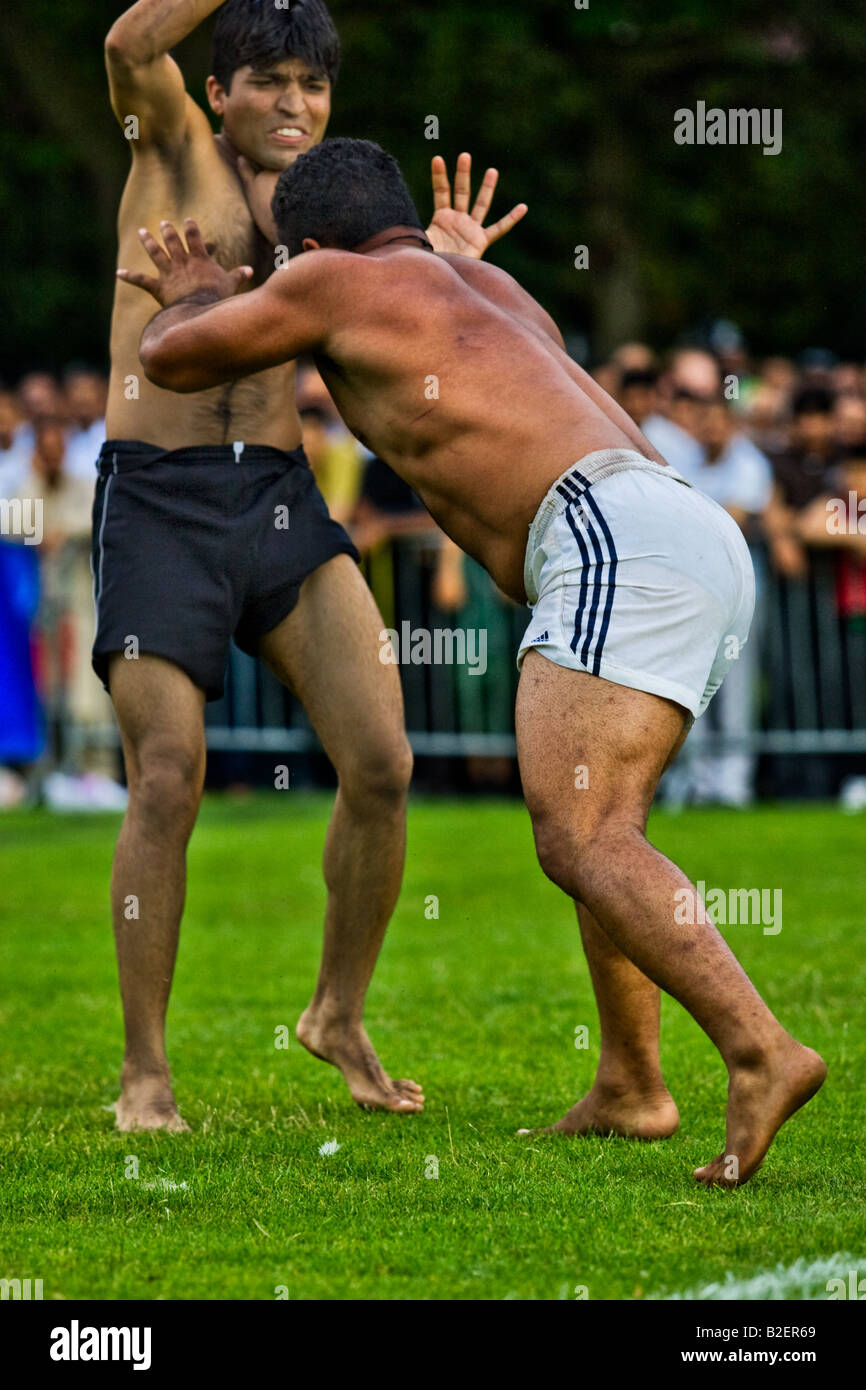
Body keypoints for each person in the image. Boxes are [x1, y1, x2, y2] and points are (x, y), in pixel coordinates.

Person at [120, 137, 827, 1187]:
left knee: (577, 836)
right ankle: (632, 1086)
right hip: (684, 527)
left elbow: (172, 361)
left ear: (312, 244)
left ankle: (760, 1050)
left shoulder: (325, 277)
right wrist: (447, 258)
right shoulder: (488, 284)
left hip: (603, 537)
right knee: (607, 829)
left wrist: (186, 295)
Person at [100, 0, 525, 1132]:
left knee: (382, 759)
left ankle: (336, 1015)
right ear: (217, 93)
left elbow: (397, 324)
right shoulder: (170, 144)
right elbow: (130, 44)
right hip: (158, 500)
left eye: (314, 87)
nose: (296, 105)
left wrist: (446, 270)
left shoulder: (320, 206)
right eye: (271, 82)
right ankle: (146, 1072)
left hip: (277, 497)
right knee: (167, 773)